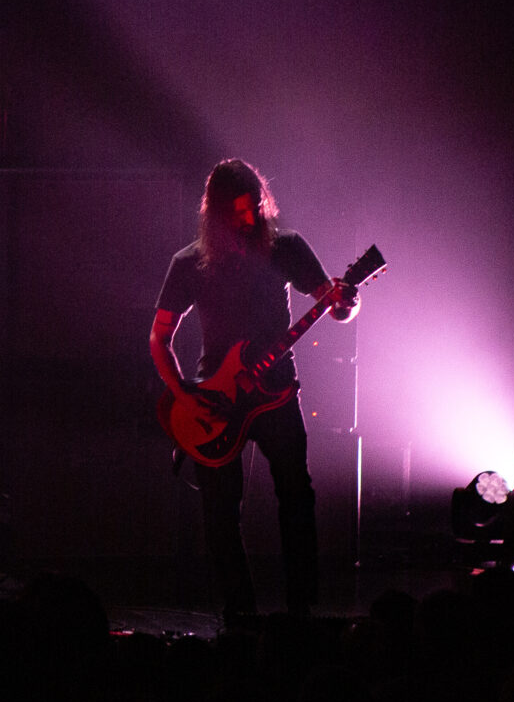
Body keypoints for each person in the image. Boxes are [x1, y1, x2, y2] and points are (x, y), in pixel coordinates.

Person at [150, 159, 359, 619]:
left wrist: (348, 302)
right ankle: (238, 617)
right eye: (239, 213)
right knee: (221, 512)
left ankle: (301, 608)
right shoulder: (189, 263)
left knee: (297, 496)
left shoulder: (286, 248)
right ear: (218, 215)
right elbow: (158, 338)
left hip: (278, 394)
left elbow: (335, 307)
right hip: (215, 400)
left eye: (255, 208)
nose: (250, 219)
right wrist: (186, 397)